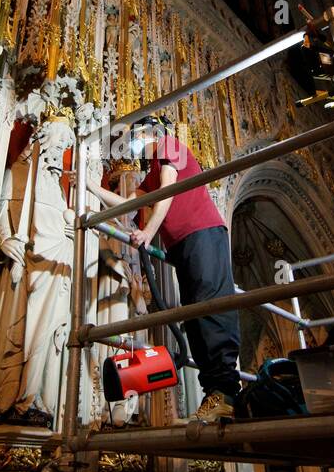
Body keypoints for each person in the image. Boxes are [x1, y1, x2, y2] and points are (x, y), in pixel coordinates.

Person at [86, 116, 241, 422]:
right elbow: (128, 203)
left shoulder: (170, 146)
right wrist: (90, 185)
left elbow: (166, 192)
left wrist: (147, 233)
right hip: (183, 244)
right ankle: (214, 395)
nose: (135, 145)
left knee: (211, 307)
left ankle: (226, 393)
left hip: (203, 233)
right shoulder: (152, 171)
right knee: (194, 315)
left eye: (138, 136)